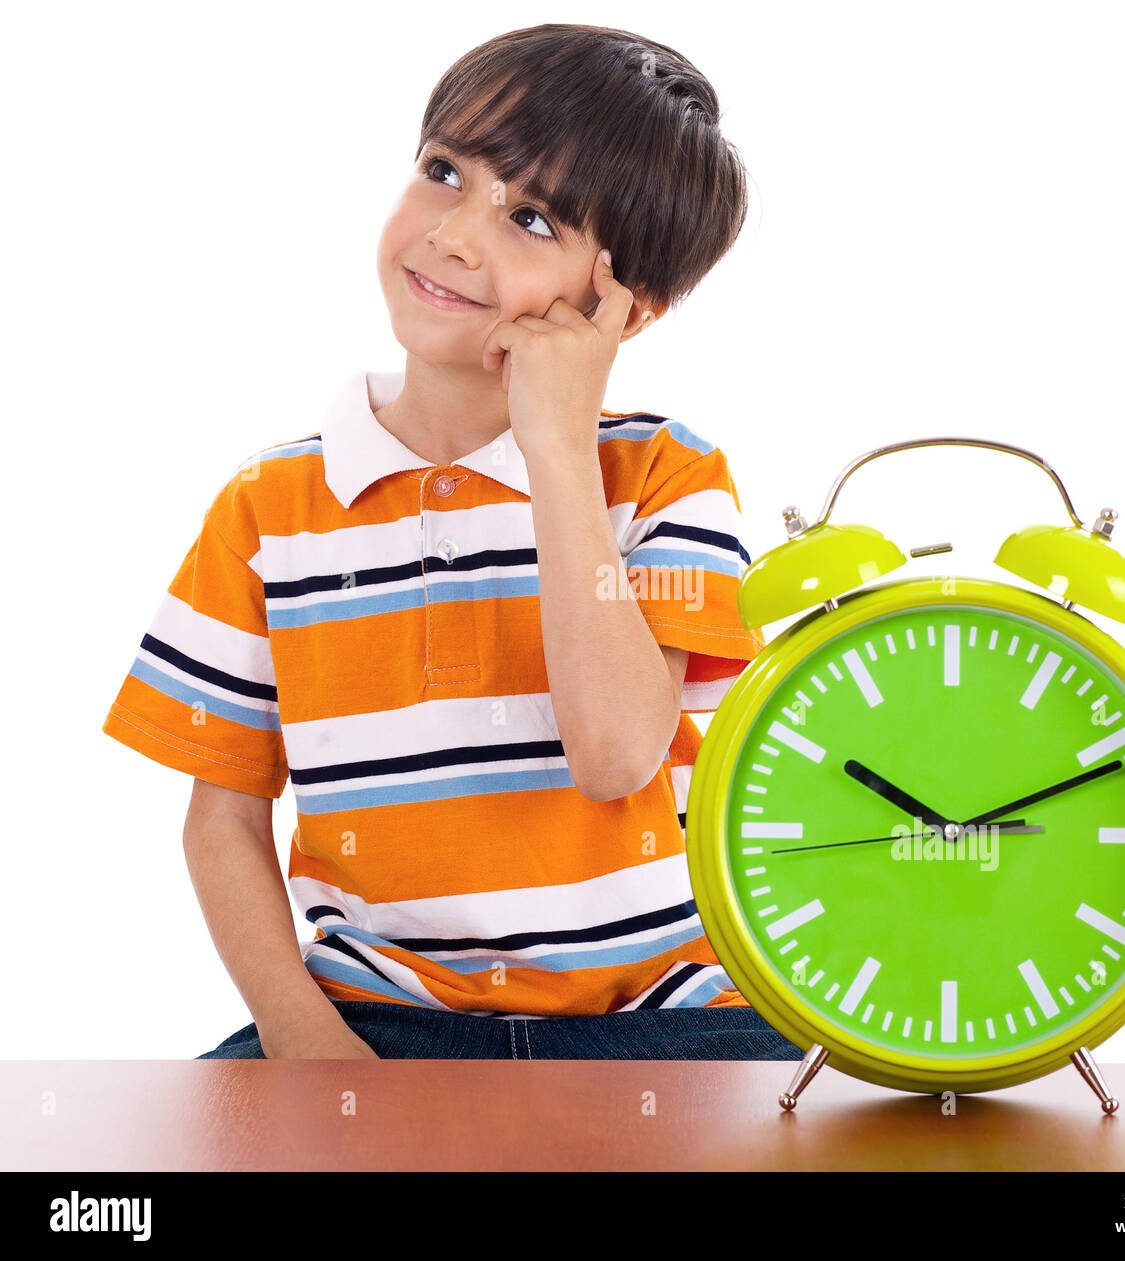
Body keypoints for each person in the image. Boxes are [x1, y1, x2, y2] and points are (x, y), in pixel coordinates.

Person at [102, 22, 803, 1063]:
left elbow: (614, 754)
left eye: (529, 217)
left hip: (669, 1023)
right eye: (444, 172)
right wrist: (307, 1038)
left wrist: (558, 449)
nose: (456, 236)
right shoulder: (267, 507)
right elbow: (221, 821)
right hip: (376, 1018)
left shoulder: (665, 477)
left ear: (622, 310)